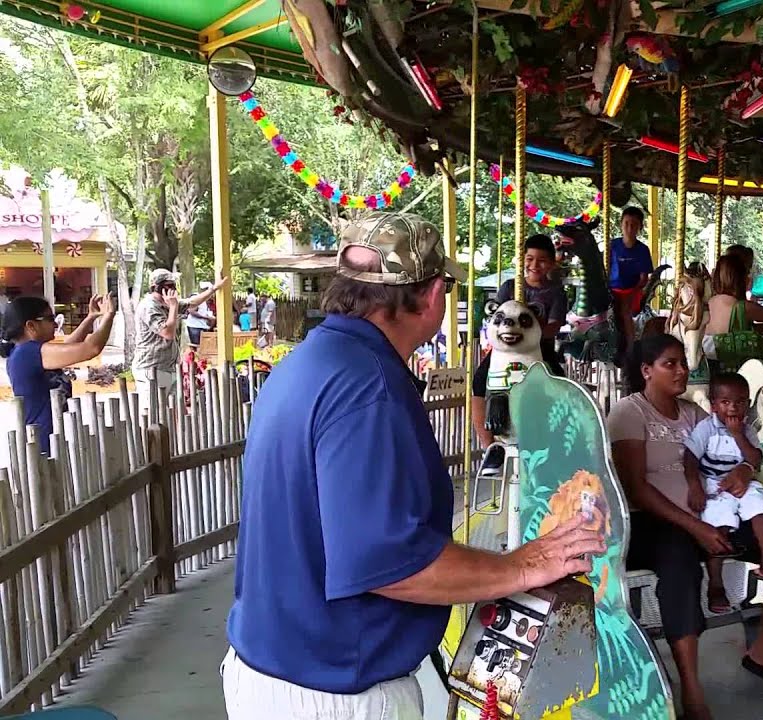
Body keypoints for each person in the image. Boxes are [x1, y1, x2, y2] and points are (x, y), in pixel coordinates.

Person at [224, 212, 604, 720]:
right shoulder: (368, 388)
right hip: (335, 691)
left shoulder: (310, 362)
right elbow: (387, 564)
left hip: (277, 664)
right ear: (430, 296)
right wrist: (521, 566)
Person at [609, 334, 763, 720]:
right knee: (681, 559)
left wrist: (744, 469)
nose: (683, 370)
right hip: (651, 523)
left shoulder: (694, 413)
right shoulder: (629, 412)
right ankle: (690, 687)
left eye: (683, 362)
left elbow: (738, 447)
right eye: (670, 363)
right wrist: (695, 527)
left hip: (712, 515)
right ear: (646, 371)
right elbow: (636, 486)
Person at [683, 372, 763, 615]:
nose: (733, 408)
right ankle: (715, 584)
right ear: (713, 405)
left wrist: (738, 435)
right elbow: (690, 457)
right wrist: (695, 486)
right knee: (717, 526)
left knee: (761, 510)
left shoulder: (747, 430)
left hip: (743, 483)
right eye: (725, 402)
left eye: (740, 402)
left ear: (748, 404)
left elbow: (755, 460)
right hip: (714, 485)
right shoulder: (706, 429)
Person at [469, 234, 568, 453]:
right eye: (530, 258)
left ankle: (558, 438)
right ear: (522, 259)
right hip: (504, 352)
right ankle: (489, 445)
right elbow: (499, 320)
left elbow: (554, 327)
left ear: (551, 263)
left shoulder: (555, 293)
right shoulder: (510, 287)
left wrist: (530, 330)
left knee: (562, 384)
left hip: (541, 350)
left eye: (541, 260)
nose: (534, 265)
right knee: (478, 381)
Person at [0, 294, 116, 454]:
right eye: (49, 318)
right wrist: (109, 315)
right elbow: (91, 348)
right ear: (31, 326)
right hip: (46, 442)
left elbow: (70, 347)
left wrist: (91, 317)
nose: (55, 324)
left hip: (53, 437)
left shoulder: (25, 352)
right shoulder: (27, 353)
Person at [133, 269, 226, 408]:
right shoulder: (149, 306)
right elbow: (167, 333)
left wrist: (213, 288)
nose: (173, 290)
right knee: (154, 414)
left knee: (174, 411)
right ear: (158, 288)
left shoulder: (169, 304)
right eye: (169, 286)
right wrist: (173, 307)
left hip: (169, 367)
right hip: (151, 368)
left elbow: (191, 303)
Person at [705, 254, 763, 365]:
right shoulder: (743, 307)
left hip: (712, 366)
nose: (749, 277)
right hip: (738, 371)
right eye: (747, 273)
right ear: (740, 278)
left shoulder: (710, 303)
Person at [608, 206, 654, 342]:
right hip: (612, 289)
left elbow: (643, 278)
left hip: (632, 290)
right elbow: (604, 269)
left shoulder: (642, 250)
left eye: (634, 225)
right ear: (621, 224)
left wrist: (632, 293)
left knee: (624, 312)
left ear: (640, 227)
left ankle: (629, 344)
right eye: (626, 223)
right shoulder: (612, 246)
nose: (629, 228)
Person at [186, 281, 216, 346]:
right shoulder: (196, 298)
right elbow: (191, 311)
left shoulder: (205, 300)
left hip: (203, 326)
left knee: (203, 347)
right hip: (195, 326)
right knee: (198, 347)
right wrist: (206, 317)